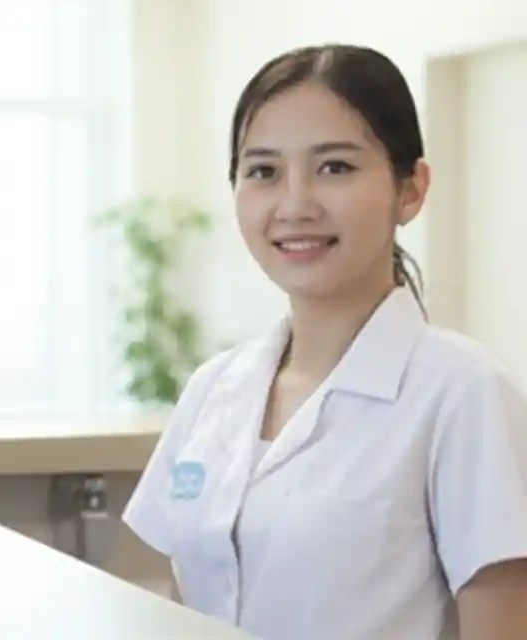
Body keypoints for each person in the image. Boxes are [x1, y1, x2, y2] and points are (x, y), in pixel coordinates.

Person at [122, 44, 527, 639]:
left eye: (334, 167)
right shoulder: (214, 389)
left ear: (410, 189)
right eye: (263, 171)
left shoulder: (463, 393)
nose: (294, 205)